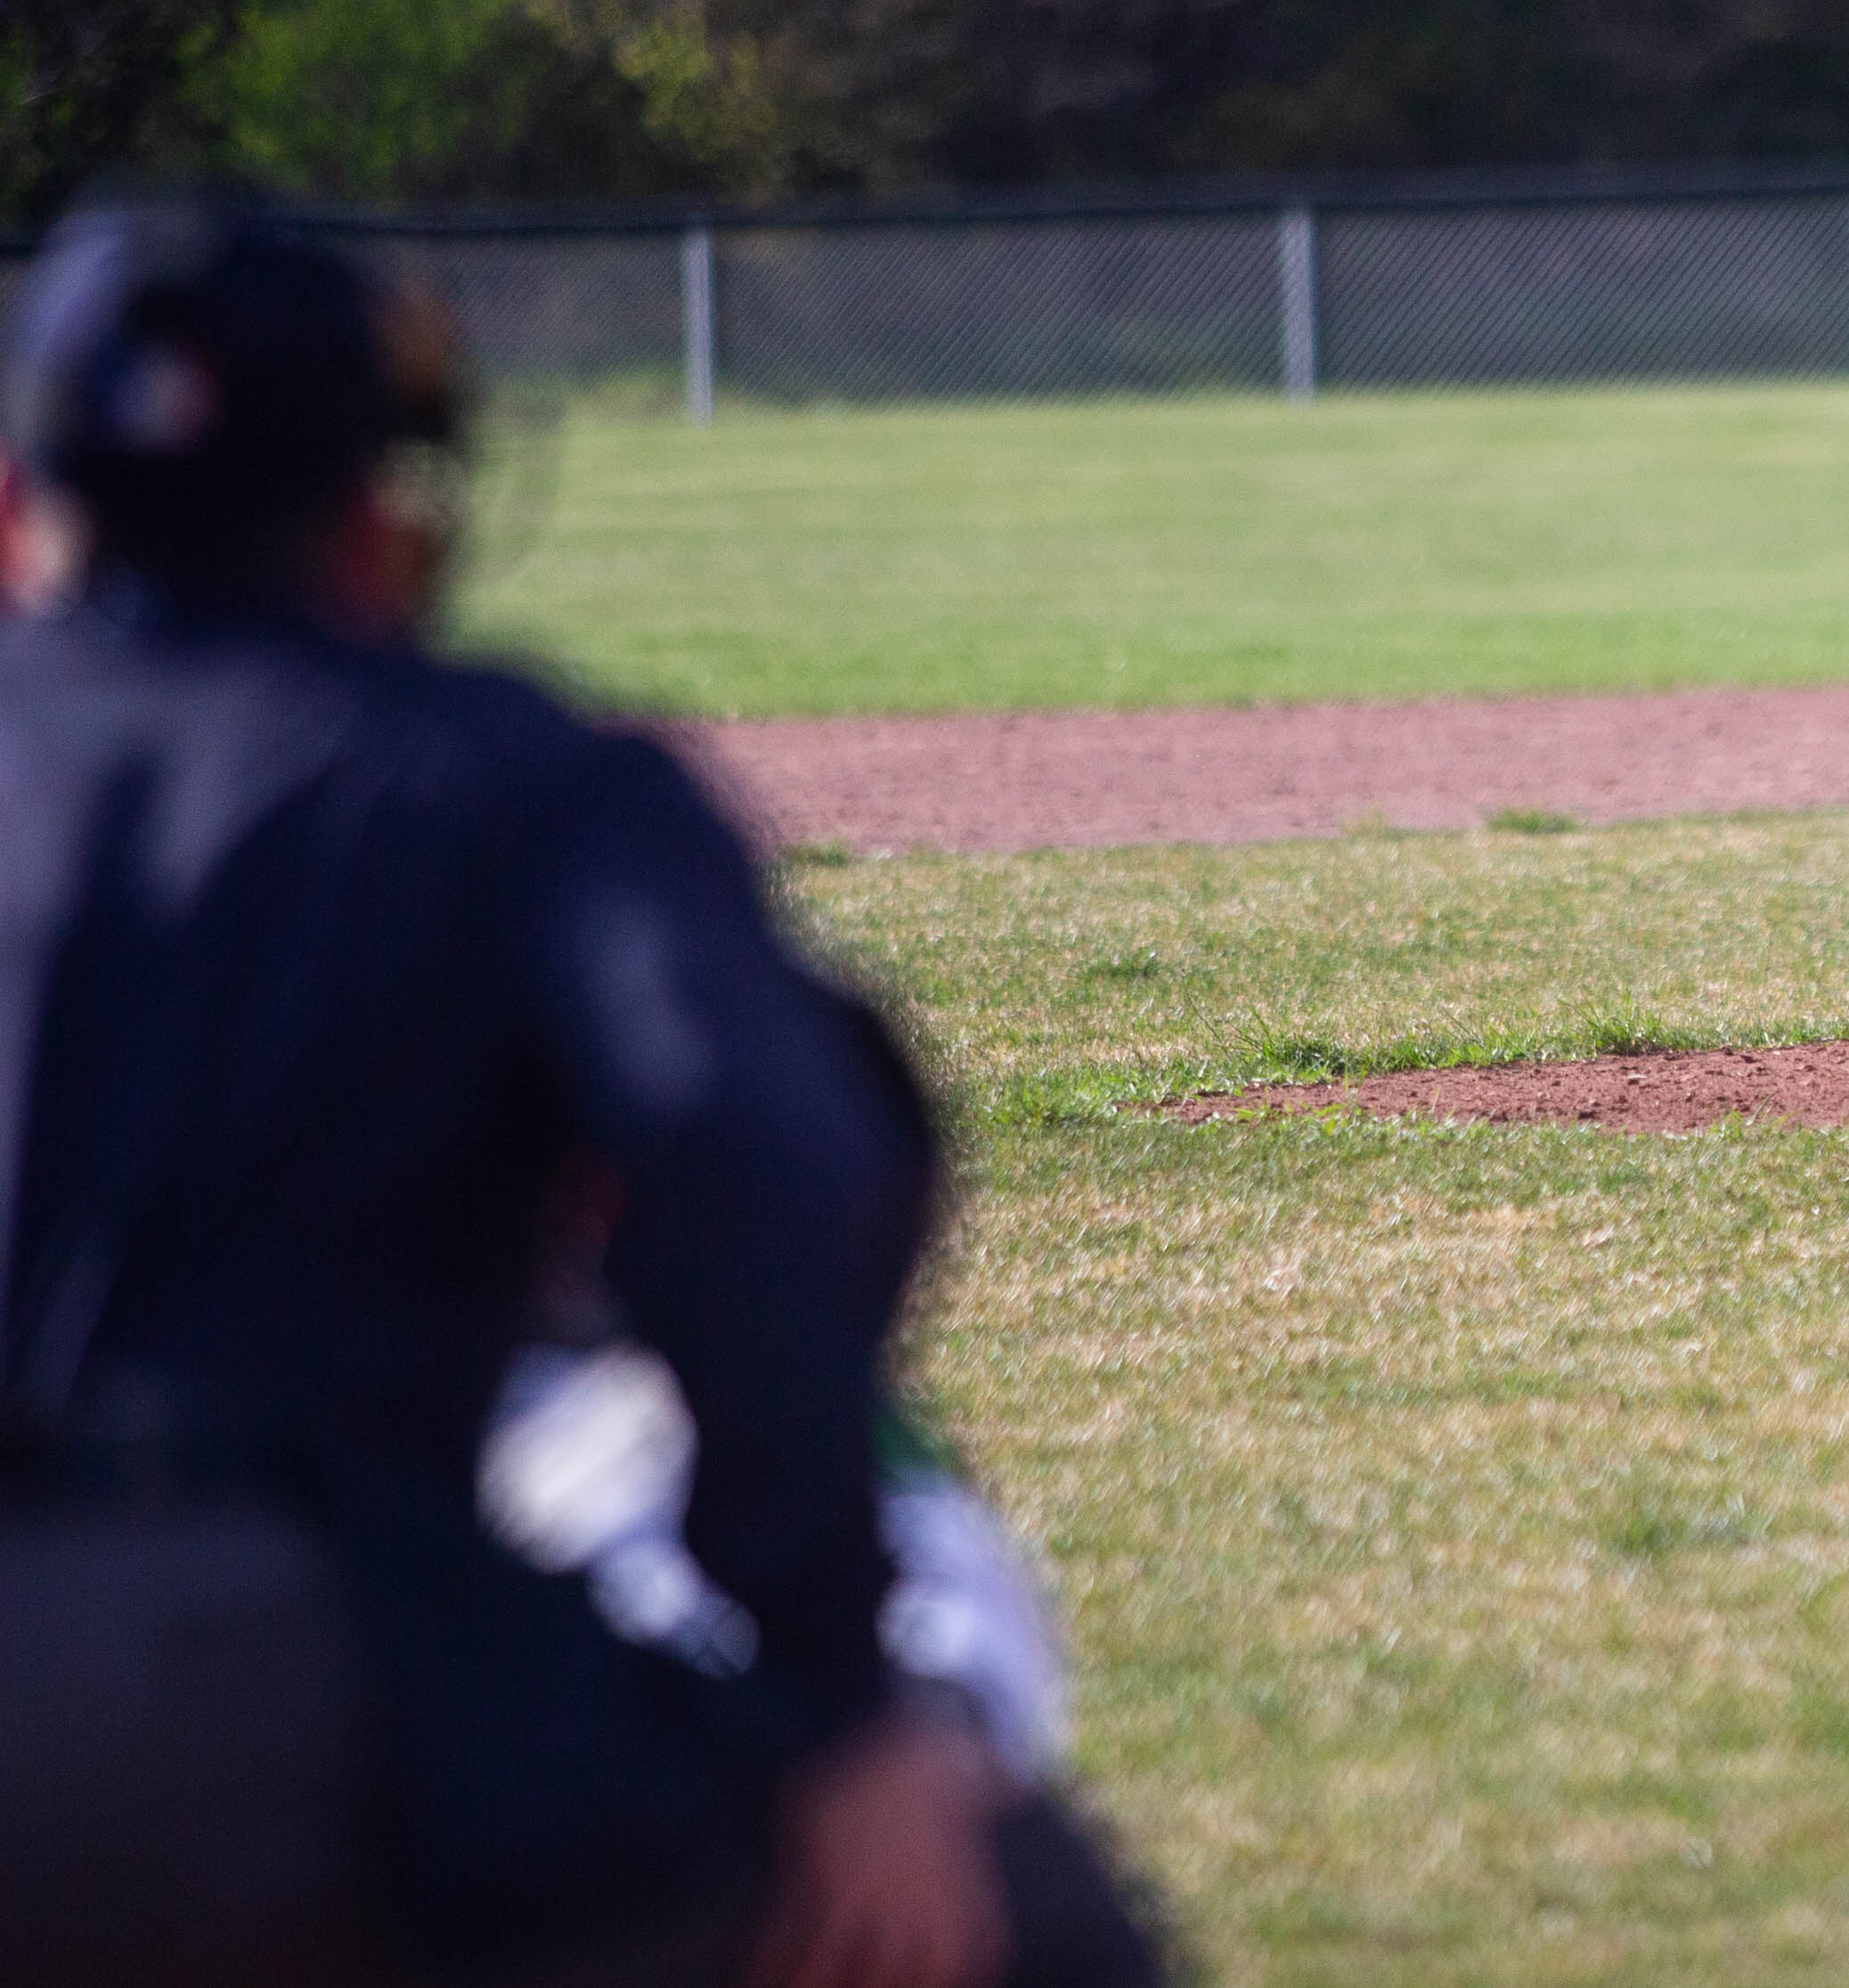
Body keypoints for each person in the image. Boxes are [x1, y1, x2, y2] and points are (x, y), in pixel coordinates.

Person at [0, 195, 1160, 1987]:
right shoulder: (507, 782)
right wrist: (838, 1703)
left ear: (16, 515)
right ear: (382, 526)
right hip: (272, 1656)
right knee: (1033, 1924)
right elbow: (753, 1150)